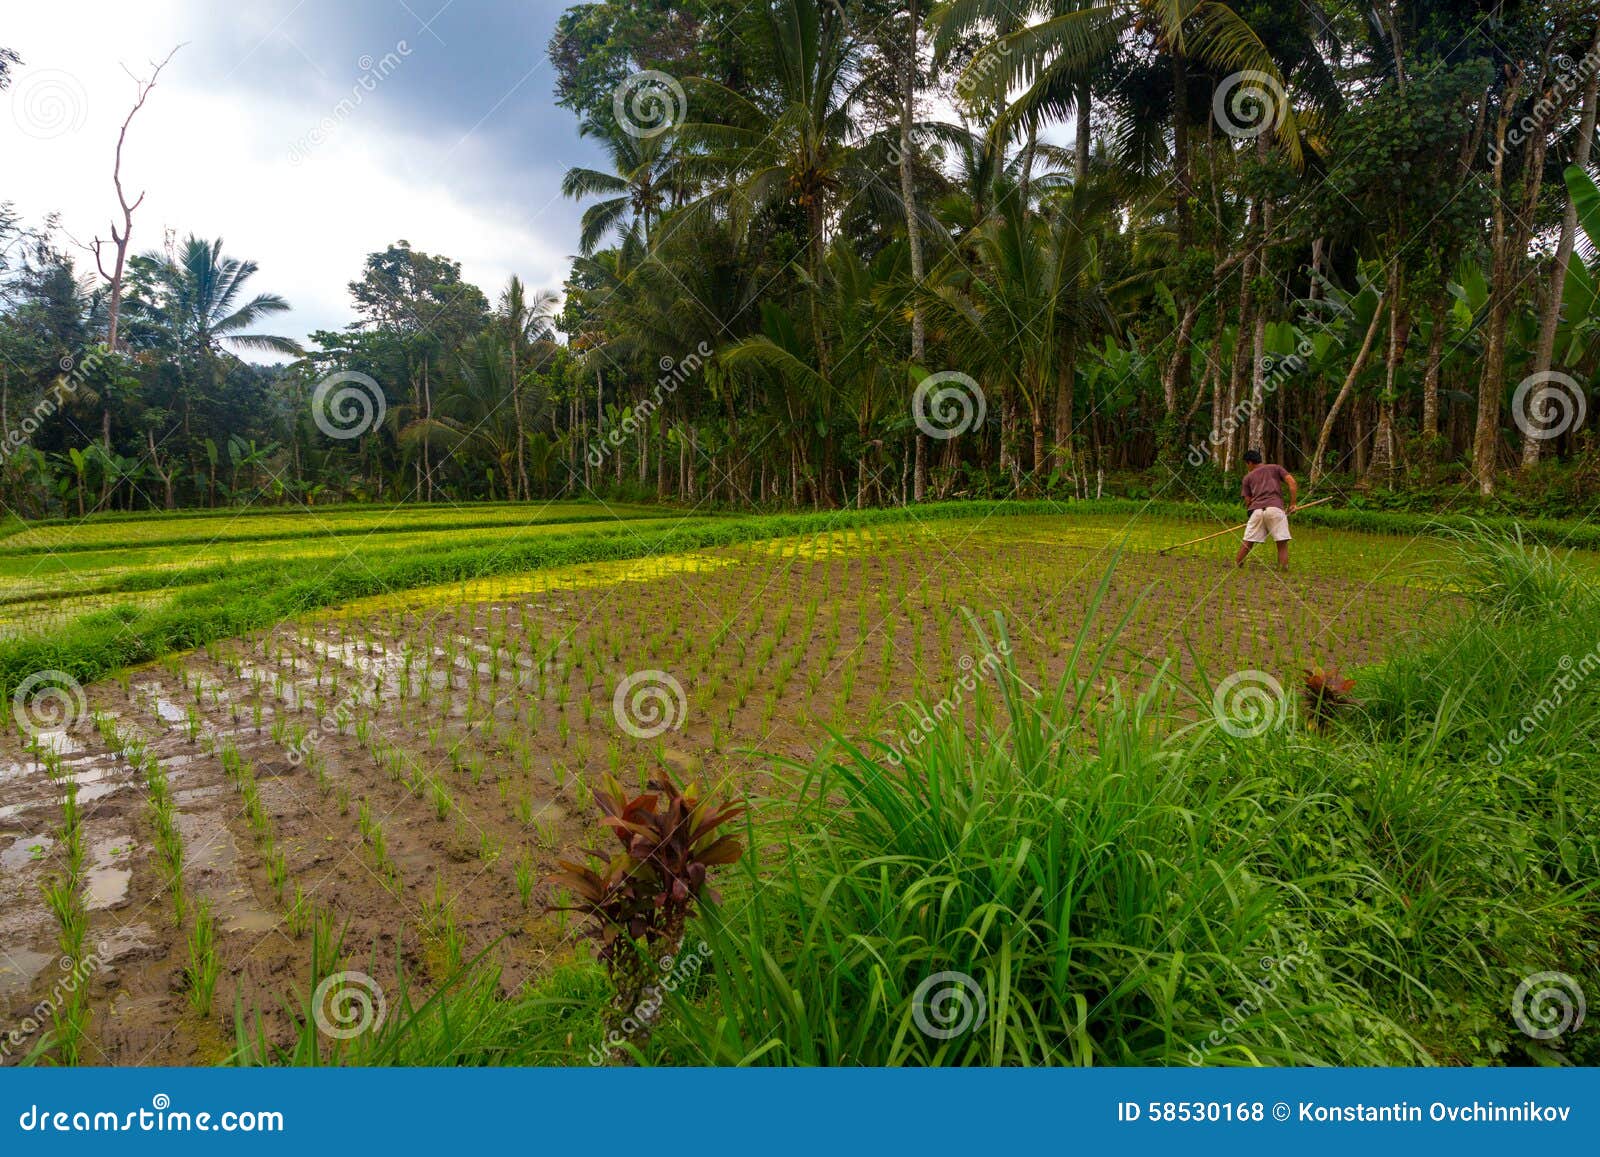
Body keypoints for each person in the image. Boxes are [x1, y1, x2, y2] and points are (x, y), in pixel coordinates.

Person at [1234, 449, 1298, 572]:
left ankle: (1237, 564)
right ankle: (1283, 568)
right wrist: (1293, 504)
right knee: (1281, 543)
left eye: (1246, 464)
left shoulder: (1247, 477)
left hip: (1257, 511)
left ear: (1250, 462)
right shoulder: (1276, 468)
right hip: (1275, 508)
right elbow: (1292, 483)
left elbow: (1248, 501)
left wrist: (1253, 515)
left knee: (1248, 542)